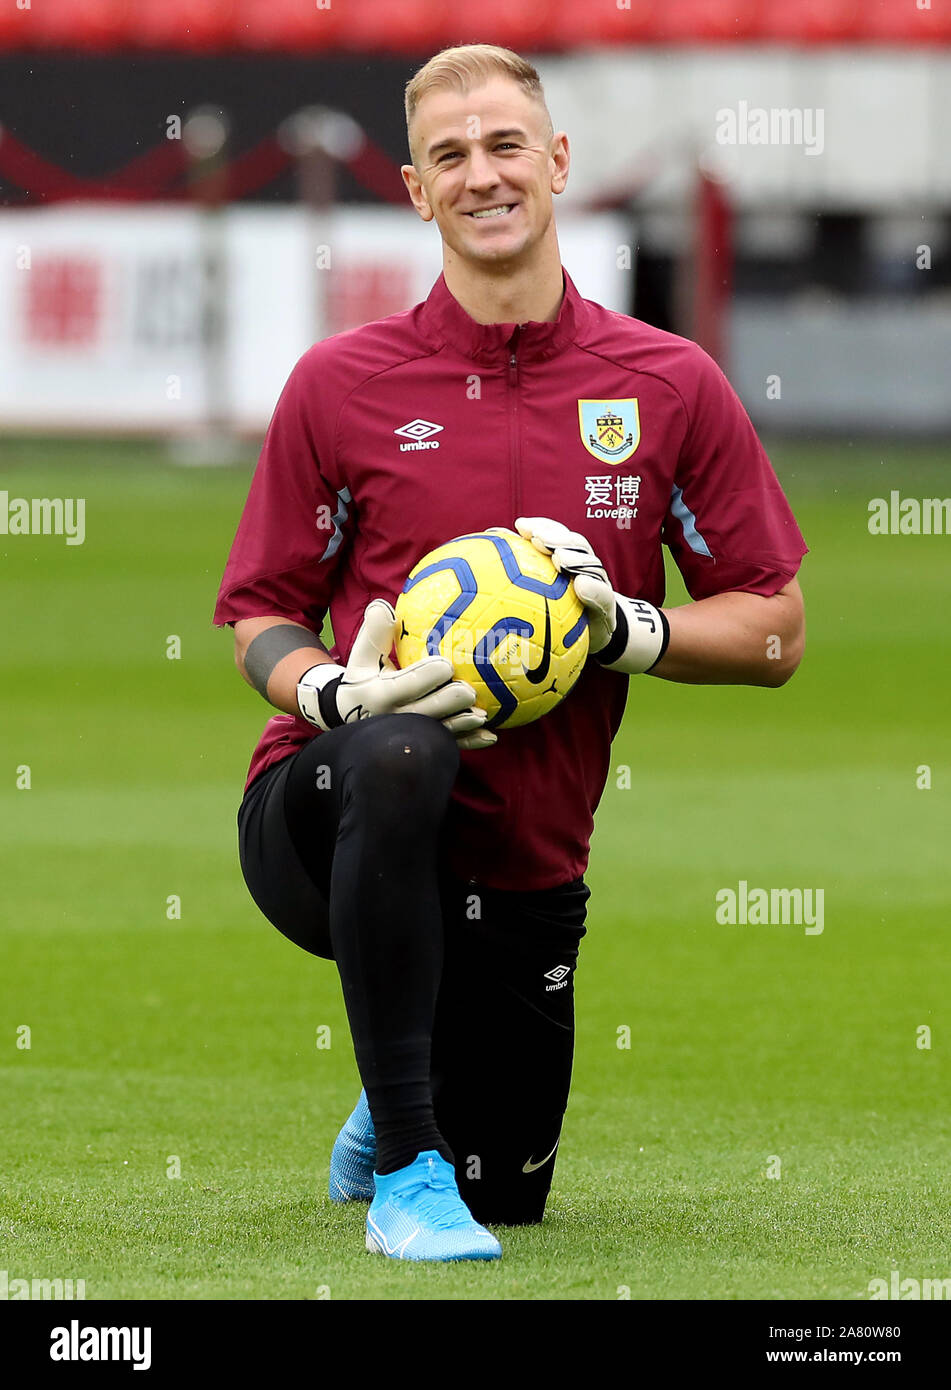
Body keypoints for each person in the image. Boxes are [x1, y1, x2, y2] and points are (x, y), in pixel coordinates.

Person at [214, 43, 807, 1263]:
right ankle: (411, 1169)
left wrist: (627, 631)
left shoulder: (669, 385)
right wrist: (333, 687)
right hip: (322, 820)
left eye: (504, 146)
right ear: (418, 192)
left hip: (525, 872)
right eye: (449, 157)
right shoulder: (340, 384)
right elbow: (258, 612)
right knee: (399, 752)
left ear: (557, 163)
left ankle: (398, 1090)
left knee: (518, 1196)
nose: (482, 175)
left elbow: (775, 625)